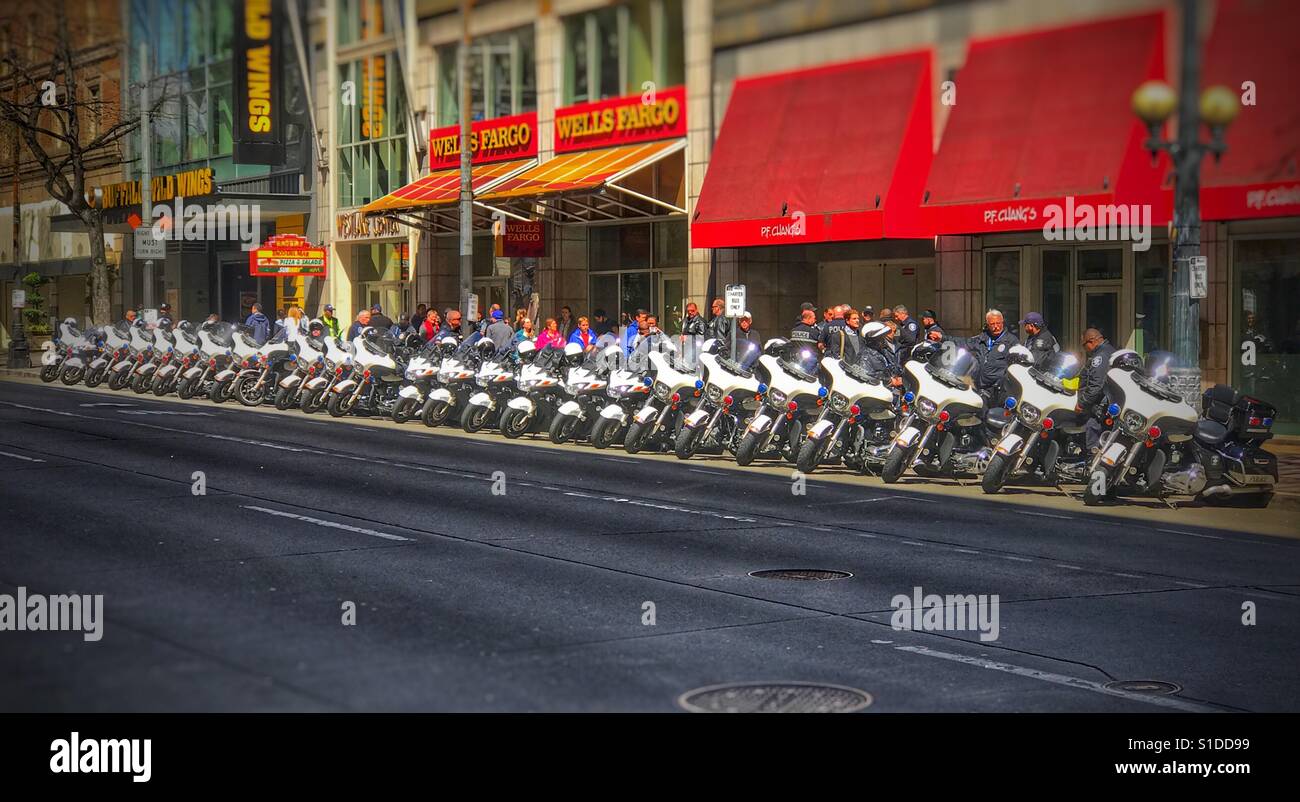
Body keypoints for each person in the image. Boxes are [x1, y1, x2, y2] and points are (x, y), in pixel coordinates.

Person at [966, 308, 1020, 403]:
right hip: (981, 386)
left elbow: (1017, 365)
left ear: (1002, 322)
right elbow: (964, 342)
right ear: (987, 325)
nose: (996, 327)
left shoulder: (1012, 341)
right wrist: (943, 338)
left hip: (1000, 390)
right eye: (992, 324)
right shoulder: (983, 338)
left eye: (998, 323)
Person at [1079, 328, 1116, 452]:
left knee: (1092, 427)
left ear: (1091, 341)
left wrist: (1082, 403)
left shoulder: (1099, 357)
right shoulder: (1111, 350)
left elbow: (1096, 385)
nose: (1085, 349)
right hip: (1111, 403)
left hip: (1103, 406)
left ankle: (1092, 460)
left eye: (1084, 345)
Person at [859, 321, 903, 389]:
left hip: (891, 392)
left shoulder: (882, 352)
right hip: (879, 395)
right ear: (873, 339)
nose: (883, 340)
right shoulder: (866, 356)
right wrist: (890, 381)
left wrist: (897, 377)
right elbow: (868, 376)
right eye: (880, 338)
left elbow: (892, 367)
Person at [680, 301, 706, 367]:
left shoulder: (700, 321)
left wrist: (687, 338)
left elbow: (701, 337)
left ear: (696, 310)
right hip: (686, 349)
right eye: (688, 311)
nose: (690, 312)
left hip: (695, 351)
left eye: (692, 310)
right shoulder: (686, 320)